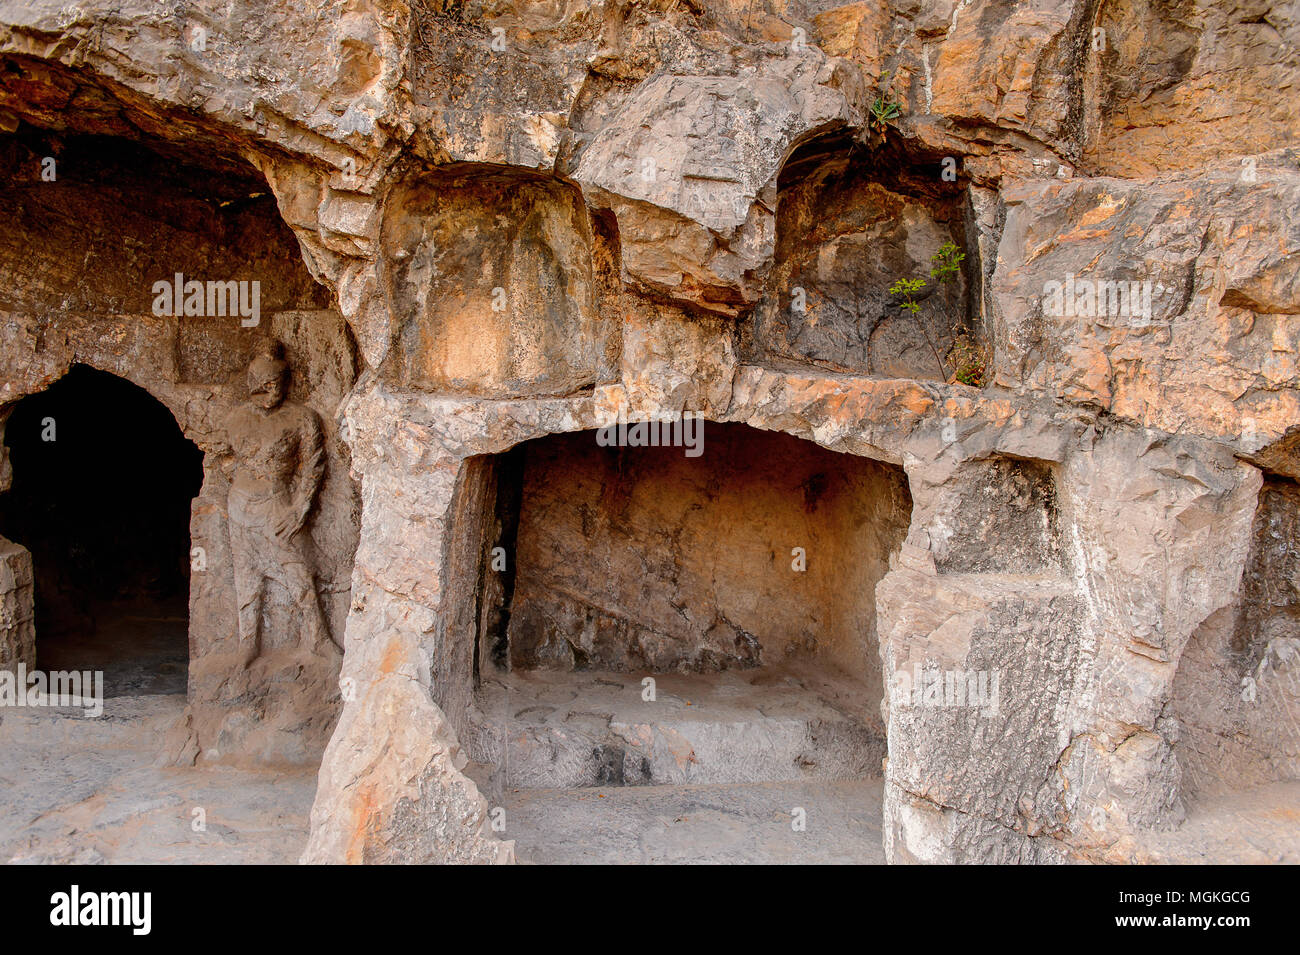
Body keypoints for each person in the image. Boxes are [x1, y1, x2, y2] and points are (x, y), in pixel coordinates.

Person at [224, 341, 337, 666]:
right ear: (253, 384)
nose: (270, 390)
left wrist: (299, 508)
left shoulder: (302, 418)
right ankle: (248, 643)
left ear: (286, 382)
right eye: (264, 384)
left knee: (299, 572)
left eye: (276, 383)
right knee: (245, 577)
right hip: (240, 506)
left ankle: (317, 638)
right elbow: (223, 457)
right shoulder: (237, 418)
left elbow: (314, 465)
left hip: (279, 506)